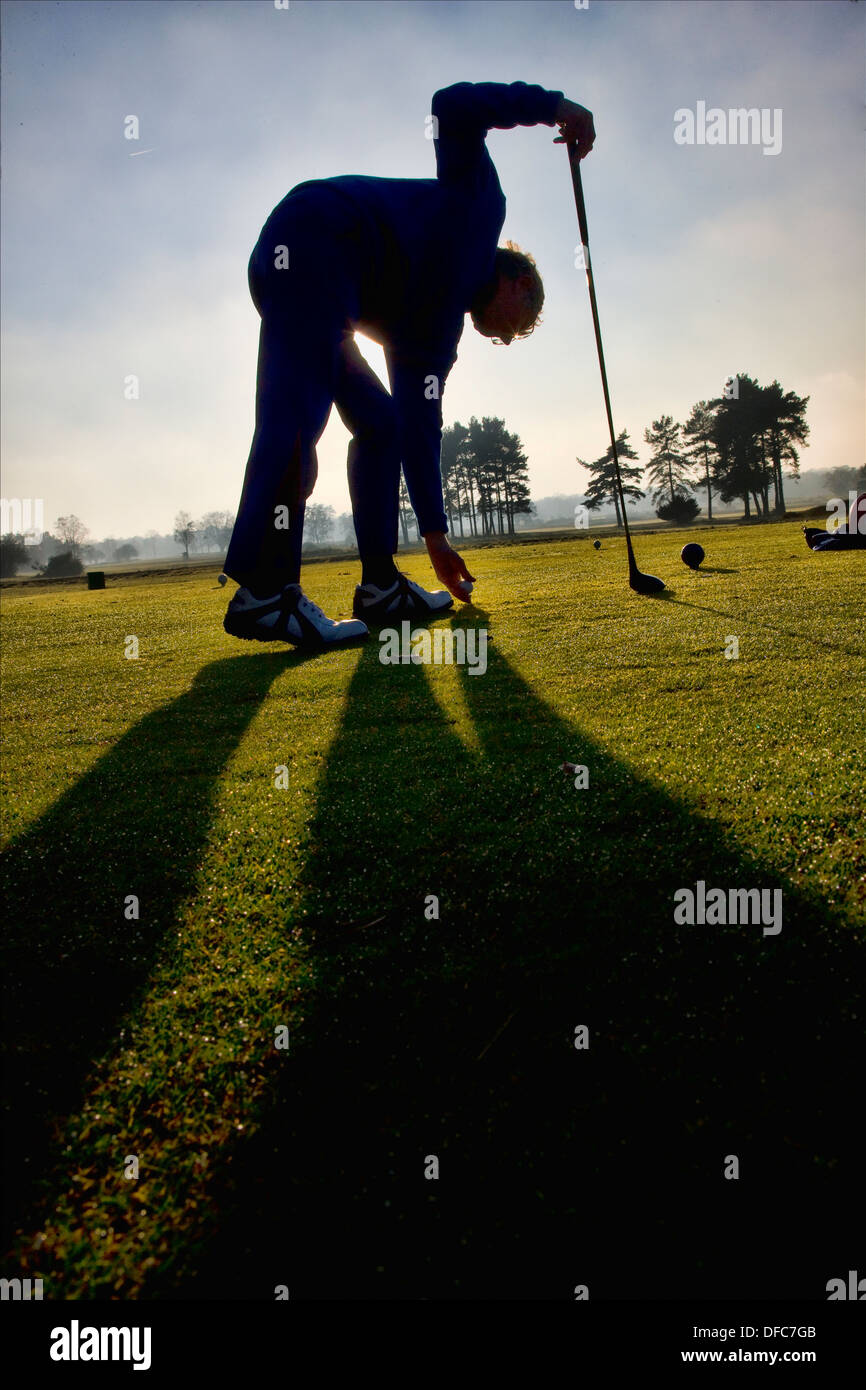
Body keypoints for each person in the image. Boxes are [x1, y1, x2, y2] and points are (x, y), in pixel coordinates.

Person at [222, 81, 595, 648]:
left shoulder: (433, 335)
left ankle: (379, 587)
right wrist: (552, 108)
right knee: (296, 418)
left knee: (385, 425)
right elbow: (454, 105)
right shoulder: (479, 210)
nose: (511, 336)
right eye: (522, 319)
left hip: (317, 287)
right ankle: (266, 593)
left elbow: (422, 431)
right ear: (519, 282)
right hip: (314, 239)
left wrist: (437, 537)